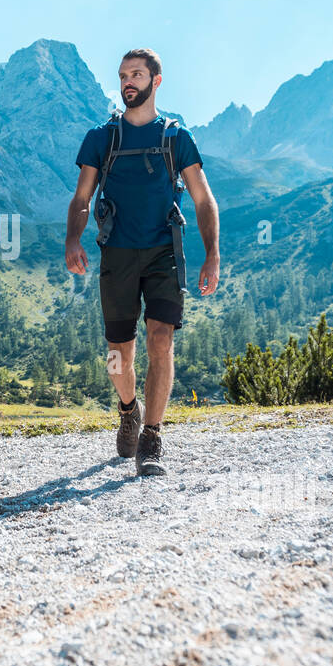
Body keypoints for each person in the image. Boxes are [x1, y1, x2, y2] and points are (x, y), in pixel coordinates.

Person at [65, 48, 221, 476]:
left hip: (163, 252)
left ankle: (151, 436)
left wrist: (212, 255)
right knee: (118, 353)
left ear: (156, 80)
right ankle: (127, 409)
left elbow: (203, 198)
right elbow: (82, 197)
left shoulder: (176, 137)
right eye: (122, 75)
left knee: (160, 340)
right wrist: (73, 240)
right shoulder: (101, 138)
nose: (127, 82)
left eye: (136, 74)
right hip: (116, 252)